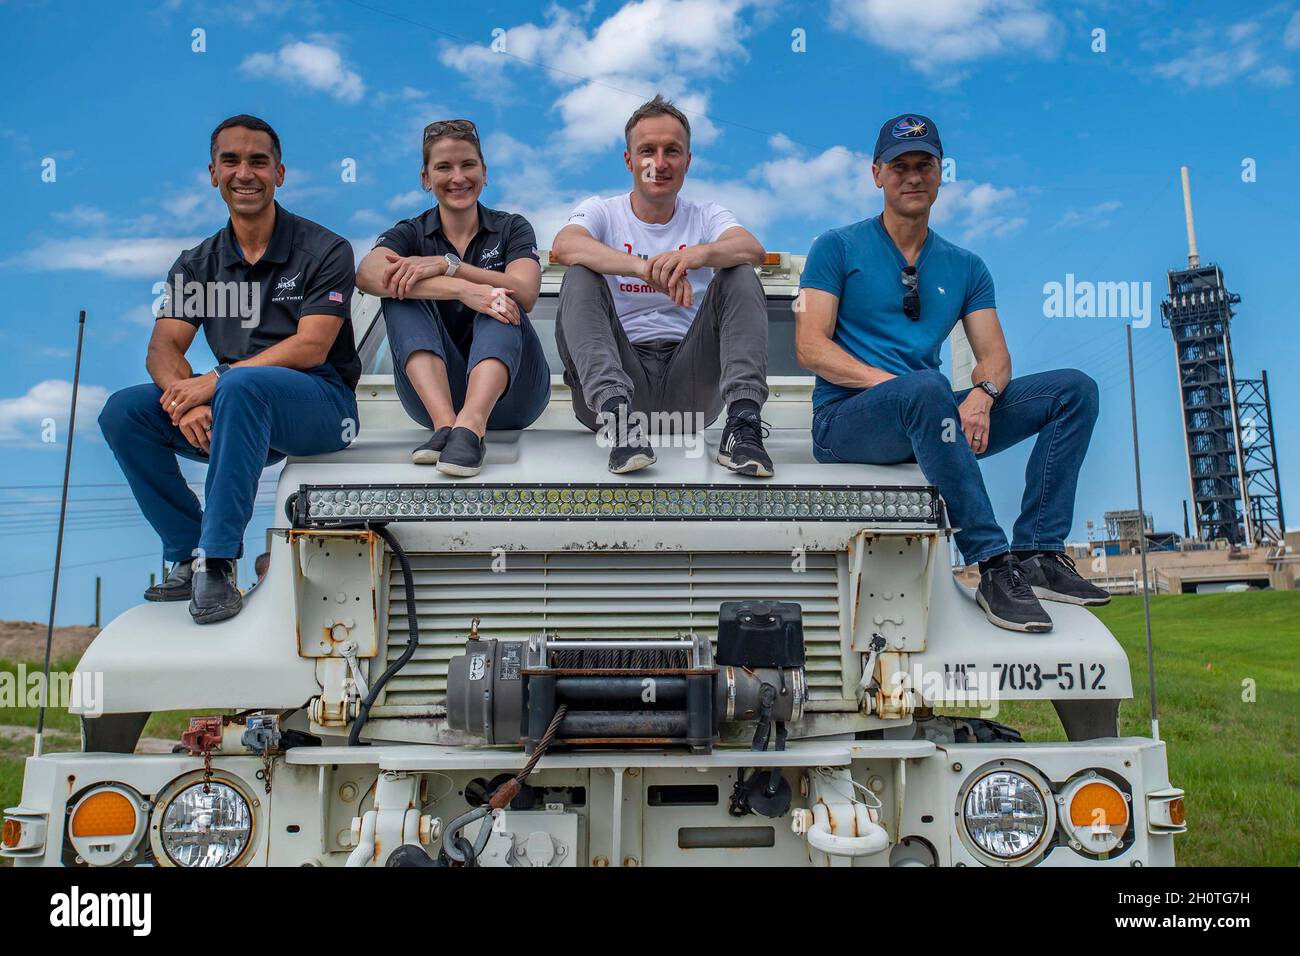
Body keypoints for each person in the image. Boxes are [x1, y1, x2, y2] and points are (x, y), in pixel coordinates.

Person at [795, 113, 1110, 633]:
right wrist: (910, 392)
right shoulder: (836, 247)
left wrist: (982, 396)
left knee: (1074, 390)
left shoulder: (966, 265)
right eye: (900, 166)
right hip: (847, 420)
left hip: (935, 415)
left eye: (925, 165)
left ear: (941, 173)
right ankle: (991, 563)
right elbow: (809, 347)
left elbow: (995, 357)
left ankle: (1038, 551)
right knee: (927, 388)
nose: (913, 176)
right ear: (877, 174)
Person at [98, 114, 361, 625]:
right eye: (232, 161)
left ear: (279, 173)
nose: (246, 172)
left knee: (239, 383)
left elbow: (311, 346)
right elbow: (162, 348)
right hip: (234, 406)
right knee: (123, 412)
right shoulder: (198, 264)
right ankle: (186, 550)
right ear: (213, 173)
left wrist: (213, 383)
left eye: (258, 161)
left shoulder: (324, 249)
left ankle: (217, 560)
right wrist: (182, 399)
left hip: (321, 406)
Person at [551, 94, 773, 476]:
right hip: (616, 381)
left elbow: (752, 249)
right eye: (647, 150)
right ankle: (620, 422)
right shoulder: (602, 210)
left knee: (739, 271)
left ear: (688, 161)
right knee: (579, 272)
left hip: (690, 389)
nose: (660, 162)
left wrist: (696, 256)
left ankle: (743, 424)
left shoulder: (706, 215)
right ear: (629, 160)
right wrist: (642, 268)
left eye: (673, 151)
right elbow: (564, 245)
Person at [356, 119, 550, 477]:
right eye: (444, 167)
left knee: (501, 298)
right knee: (398, 289)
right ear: (425, 178)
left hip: (514, 397)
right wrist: (464, 290)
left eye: (468, 165)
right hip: (431, 403)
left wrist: (451, 267)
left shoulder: (511, 227)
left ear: (484, 172)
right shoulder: (410, 233)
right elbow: (368, 275)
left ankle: (471, 427)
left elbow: (526, 292)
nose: (458, 177)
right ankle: (447, 426)